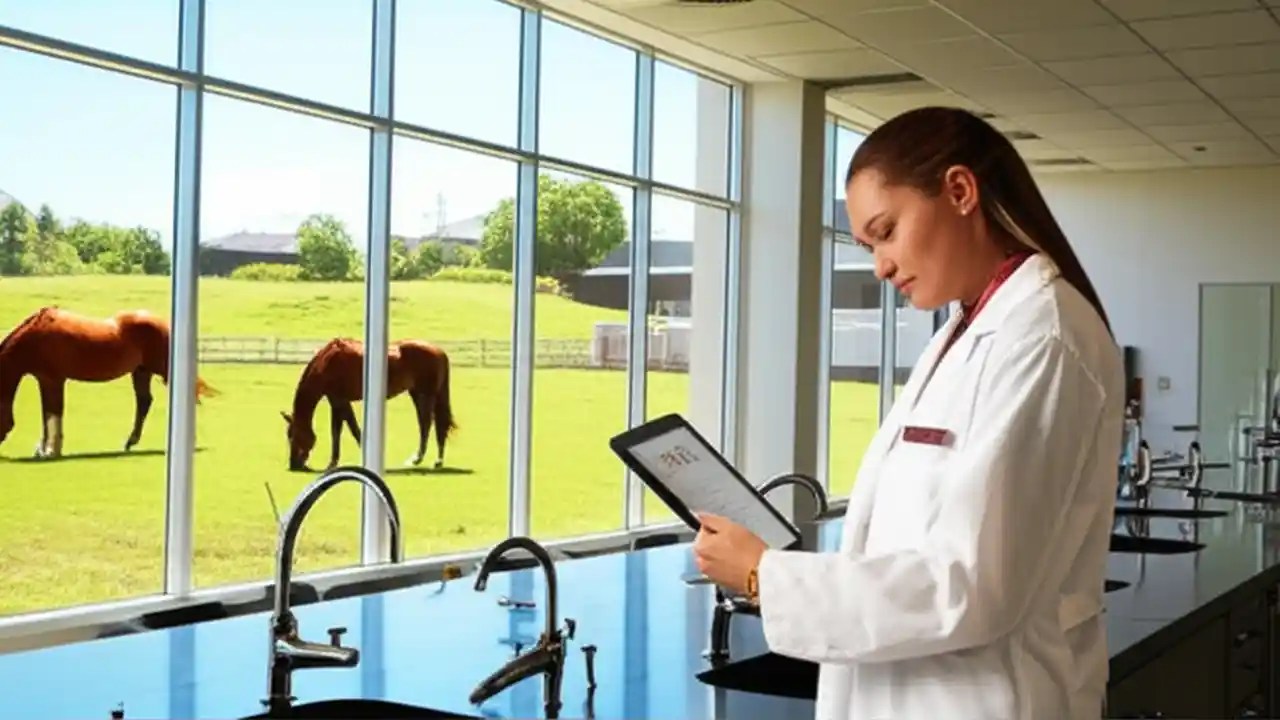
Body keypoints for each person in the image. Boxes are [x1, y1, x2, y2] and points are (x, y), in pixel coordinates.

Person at [693, 106, 1125, 719]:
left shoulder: (1042, 339)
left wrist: (768, 577)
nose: (880, 266)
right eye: (870, 245)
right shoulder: (963, 334)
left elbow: (970, 585)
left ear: (959, 190)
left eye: (887, 230)